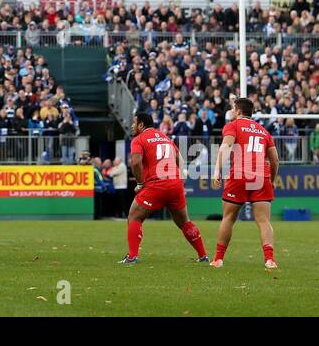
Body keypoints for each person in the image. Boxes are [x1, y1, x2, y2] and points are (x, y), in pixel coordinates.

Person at [120, 110, 209, 264]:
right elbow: (179, 159)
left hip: (156, 184)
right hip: (174, 184)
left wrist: (140, 183)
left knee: (134, 216)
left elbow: (135, 162)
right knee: (185, 222)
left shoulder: (139, 139)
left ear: (141, 124)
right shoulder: (164, 137)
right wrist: (180, 179)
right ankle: (203, 256)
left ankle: (132, 257)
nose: (133, 126)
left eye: (135, 123)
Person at [211, 97, 280, 270]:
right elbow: (275, 160)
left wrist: (217, 170)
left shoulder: (232, 126)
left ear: (239, 111)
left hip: (240, 174)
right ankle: (269, 260)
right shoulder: (264, 131)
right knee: (263, 221)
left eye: (233, 109)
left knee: (228, 218)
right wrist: (270, 180)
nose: (232, 111)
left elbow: (225, 147)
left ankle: (218, 259)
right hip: (261, 176)